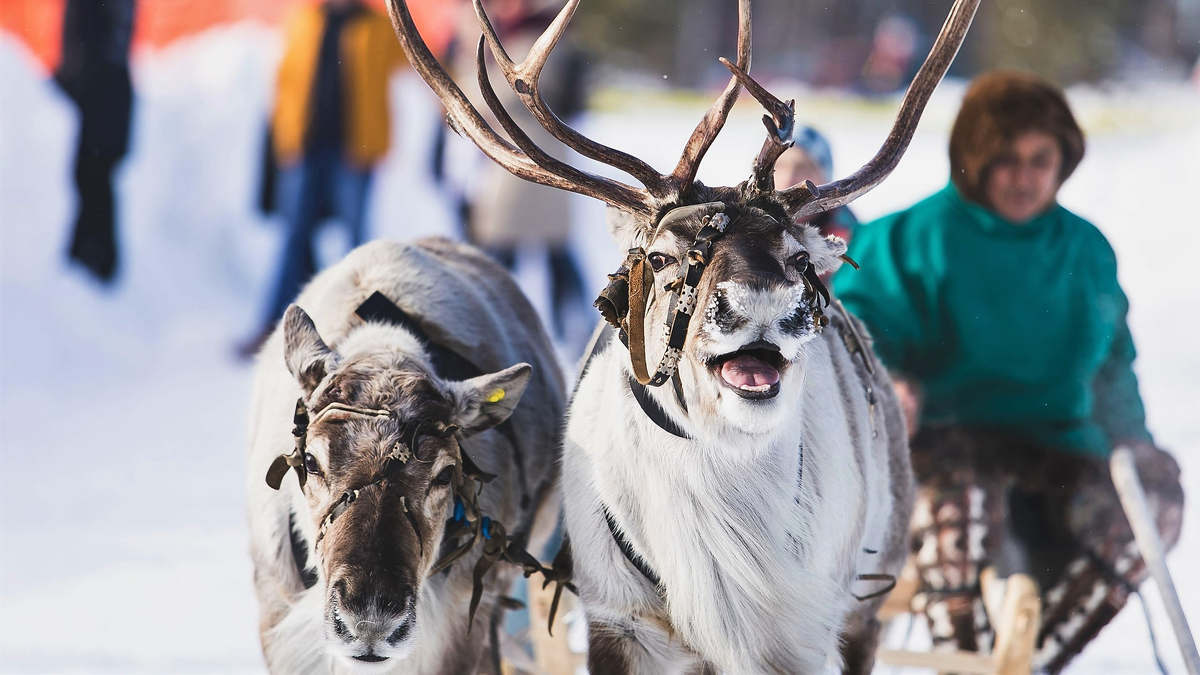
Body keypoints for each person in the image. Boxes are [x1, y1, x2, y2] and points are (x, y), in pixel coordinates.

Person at [832, 71, 1183, 672]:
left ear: (1063, 161)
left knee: (1153, 503)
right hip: (942, 446)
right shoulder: (911, 240)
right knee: (958, 512)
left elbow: (1112, 363)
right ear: (974, 159)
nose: (1025, 177)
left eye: (1040, 159)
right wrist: (892, 382)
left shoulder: (1085, 250)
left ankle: (1039, 655)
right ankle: (962, 657)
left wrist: (1131, 442)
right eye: (1006, 160)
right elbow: (857, 328)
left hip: (1059, 449)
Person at [241, 0, 405, 356]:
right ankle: (276, 328)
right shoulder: (304, 22)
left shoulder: (379, 26)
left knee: (357, 245)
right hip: (305, 150)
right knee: (293, 239)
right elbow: (284, 82)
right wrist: (285, 138)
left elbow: (419, 62)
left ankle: (364, 331)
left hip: (355, 153)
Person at [56, 0, 136, 284]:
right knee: (98, 182)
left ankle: (92, 264)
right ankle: (97, 264)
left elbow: (83, 46)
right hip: (110, 103)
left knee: (92, 182)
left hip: (97, 104)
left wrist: (64, 80)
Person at [774, 125, 858, 245]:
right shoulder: (744, 238)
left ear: (825, 179)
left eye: (802, 167)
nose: (788, 179)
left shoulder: (856, 244)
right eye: (777, 167)